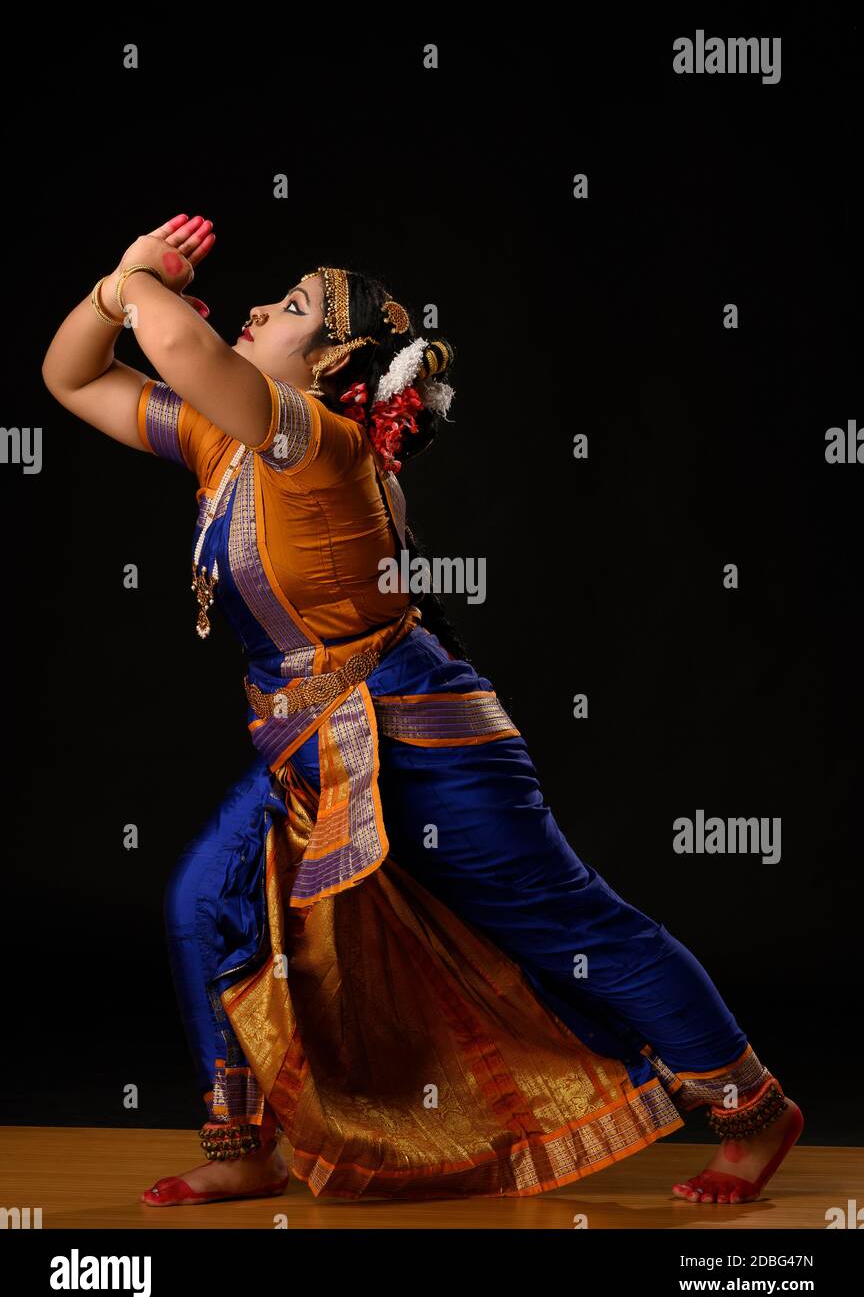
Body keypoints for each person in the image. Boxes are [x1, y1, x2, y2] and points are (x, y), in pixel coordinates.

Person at [42, 214, 804, 1207]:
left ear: (332, 362)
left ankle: (752, 1105)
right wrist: (114, 292)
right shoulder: (222, 437)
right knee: (206, 901)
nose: (262, 306)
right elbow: (72, 376)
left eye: (295, 308)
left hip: (423, 743)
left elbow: (176, 344)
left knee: (561, 920)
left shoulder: (317, 438)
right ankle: (245, 1144)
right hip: (310, 747)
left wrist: (138, 277)